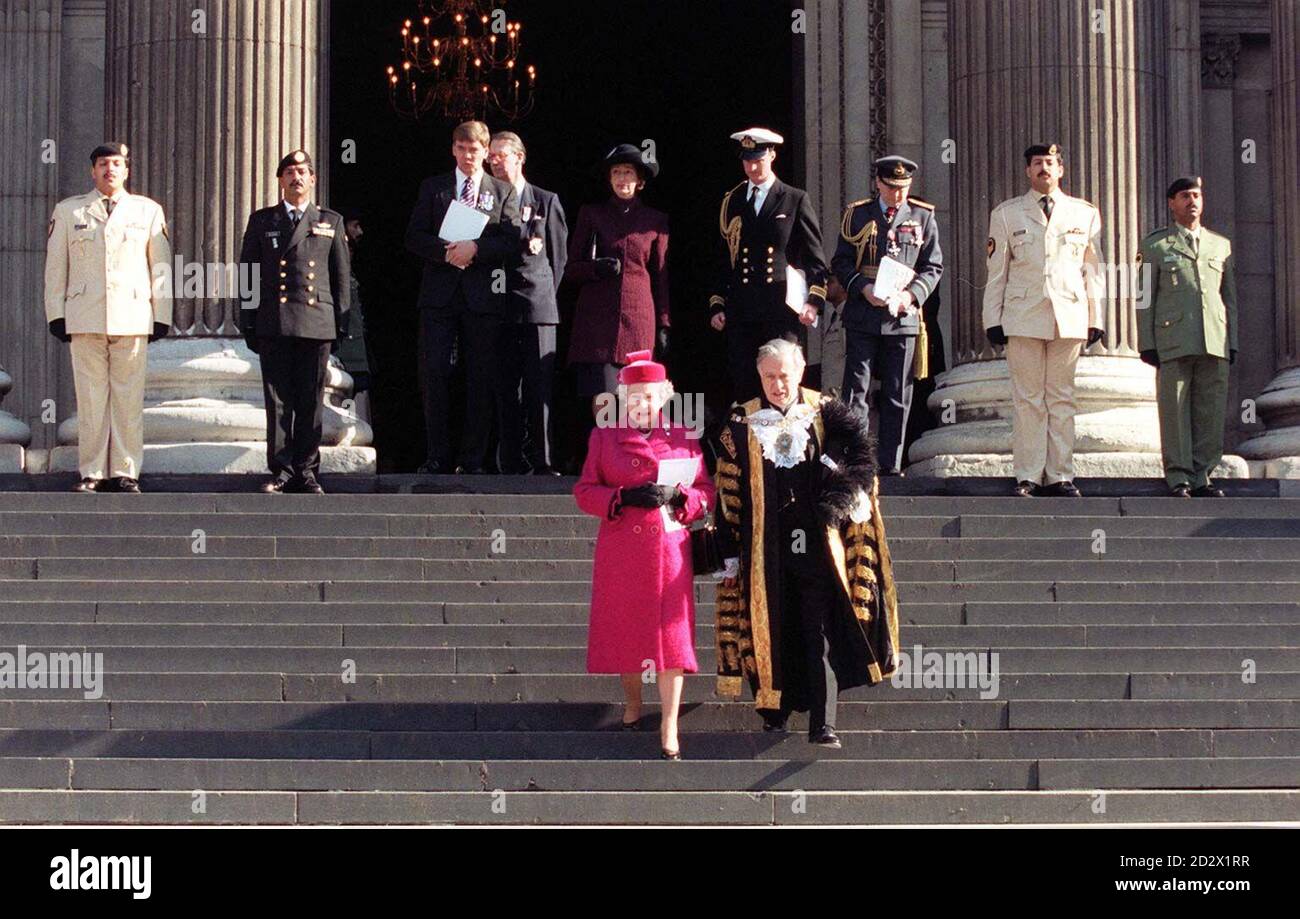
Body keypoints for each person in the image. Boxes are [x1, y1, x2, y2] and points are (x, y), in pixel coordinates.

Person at [713, 338, 901, 747]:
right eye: (768, 377)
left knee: (819, 633)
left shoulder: (826, 411)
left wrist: (841, 497)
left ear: (799, 372)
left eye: (783, 375)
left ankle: (823, 722)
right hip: (766, 548)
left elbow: (861, 464)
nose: (777, 384)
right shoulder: (741, 423)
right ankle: (773, 711)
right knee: (772, 627)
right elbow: (728, 494)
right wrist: (728, 553)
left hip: (817, 542)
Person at [573, 350, 715, 760]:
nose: (641, 404)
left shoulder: (684, 436)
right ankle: (634, 703)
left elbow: (706, 491)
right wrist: (619, 497)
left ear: (665, 396)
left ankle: (669, 723)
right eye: (634, 397)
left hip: (670, 552)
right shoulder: (604, 436)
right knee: (628, 632)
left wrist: (682, 497)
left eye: (649, 397)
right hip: (623, 550)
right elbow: (584, 491)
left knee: (672, 640)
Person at [43, 142, 172, 494]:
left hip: (131, 314)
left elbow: (159, 266)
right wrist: (57, 312)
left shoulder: (147, 211)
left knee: (128, 398)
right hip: (85, 315)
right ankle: (93, 471)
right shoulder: (70, 211)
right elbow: (56, 268)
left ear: (126, 170)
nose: (109, 170)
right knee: (90, 398)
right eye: (102, 164)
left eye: (116, 164)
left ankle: (126, 470)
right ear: (92, 170)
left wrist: (162, 313)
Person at [983, 143, 1104, 497]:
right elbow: (996, 272)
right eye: (1037, 163)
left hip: (1069, 314)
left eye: (1050, 163)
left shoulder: (1085, 214)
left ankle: (1061, 474)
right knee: (1028, 399)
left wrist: (1096, 316)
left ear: (1061, 170)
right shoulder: (1007, 214)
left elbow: (1093, 270)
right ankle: (1029, 475)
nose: (1044, 169)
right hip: (1022, 316)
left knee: (1062, 398)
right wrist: (993, 317)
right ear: (1027, 171)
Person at [405, 120, 520, 474]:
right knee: (435, 374)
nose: (468, 155)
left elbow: (511, 240)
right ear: (453, 150)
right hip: (440, 297)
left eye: (475, 149)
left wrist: (475, 249)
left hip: (482, 298)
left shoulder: (502, 192)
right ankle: (437, 456)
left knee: (480, 377)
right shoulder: (434, 188)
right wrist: (446, 252)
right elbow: (413, 236)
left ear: (487, 152)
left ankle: (472, 459)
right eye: (462, 148)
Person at [238, 149, 351, 495]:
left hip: (316, 321)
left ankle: (307, 469)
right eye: (289, 172)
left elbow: (340, 276)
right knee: (279, 401)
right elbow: (249, 274)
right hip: (275, 321)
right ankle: (282, 470)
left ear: (313, 179)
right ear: (280, 180)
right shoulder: (262, 221)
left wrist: (341, 323)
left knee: (310, 400)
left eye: (303, 172)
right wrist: (249, 321)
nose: (296, 177)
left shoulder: (330, 221)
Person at [831, 155, 943, 474]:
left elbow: (933, 266)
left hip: (901, 316)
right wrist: (863, 288)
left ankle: (890, 465)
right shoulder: (857, 214)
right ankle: (856, 461)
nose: (897, 194)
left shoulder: (922, 216)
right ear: (878, 183)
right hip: (864, 312)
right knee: (857, 391)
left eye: (903, 188)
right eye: (891, 187)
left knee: (897, 393)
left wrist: (911, 295)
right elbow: (840, 261)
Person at [708, 127, 828, 405]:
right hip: (742, 308)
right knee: (745, 383)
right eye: (747, 160)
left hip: (780, 308)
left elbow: (814, 257)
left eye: (758, 159)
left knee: (782, 381)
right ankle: (750, 444)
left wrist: (813, 301)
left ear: (771, 156)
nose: (752, 166)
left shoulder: (794, 198)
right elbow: (723, 257)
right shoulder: (732, 200)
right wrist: (717, 303)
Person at [564, 144, 669, 454]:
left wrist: (664, 322)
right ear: (609, 179)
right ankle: (609, 455)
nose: (622, 178)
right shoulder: (592, 214)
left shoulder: (655, 220)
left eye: (628, 173)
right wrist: (595, 268)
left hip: (638, 316)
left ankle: (635, 456)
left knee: (637, 393)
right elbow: (570, 269)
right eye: (616, 172)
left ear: (640, 181)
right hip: (597, 319)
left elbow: (661, 274)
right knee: (605, 392)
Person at [1138, 176, 1237, 498]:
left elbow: (1230, 298)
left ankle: (1203, 475)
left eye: (1196, 196)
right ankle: (1179, 475)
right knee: (1175, 407)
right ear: (1172, 203)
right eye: (1184, 196)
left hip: (1213, 338)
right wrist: (1147, 343)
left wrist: (1231, 340)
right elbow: (1143, 298)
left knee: (1210, 409)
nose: (1192, 201)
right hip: (1173, 339)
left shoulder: (1221, 246)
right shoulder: (1154, 245)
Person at [488, 130, 569, 475]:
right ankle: (509, 459)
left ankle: (544, 459)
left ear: (520, 157)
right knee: (505, 387)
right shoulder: (483, 199)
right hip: (497, 305)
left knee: (539, 387)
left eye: (499, 154)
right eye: (490, 155)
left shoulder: (545, 200)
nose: (493, 160)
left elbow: (559, 258)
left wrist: (545, 295)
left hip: (537, 306)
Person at [335, 206, 374, 427]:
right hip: (344, 350)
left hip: (357, 350)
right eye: (355, 226)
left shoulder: (355, 265)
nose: (360, 233)